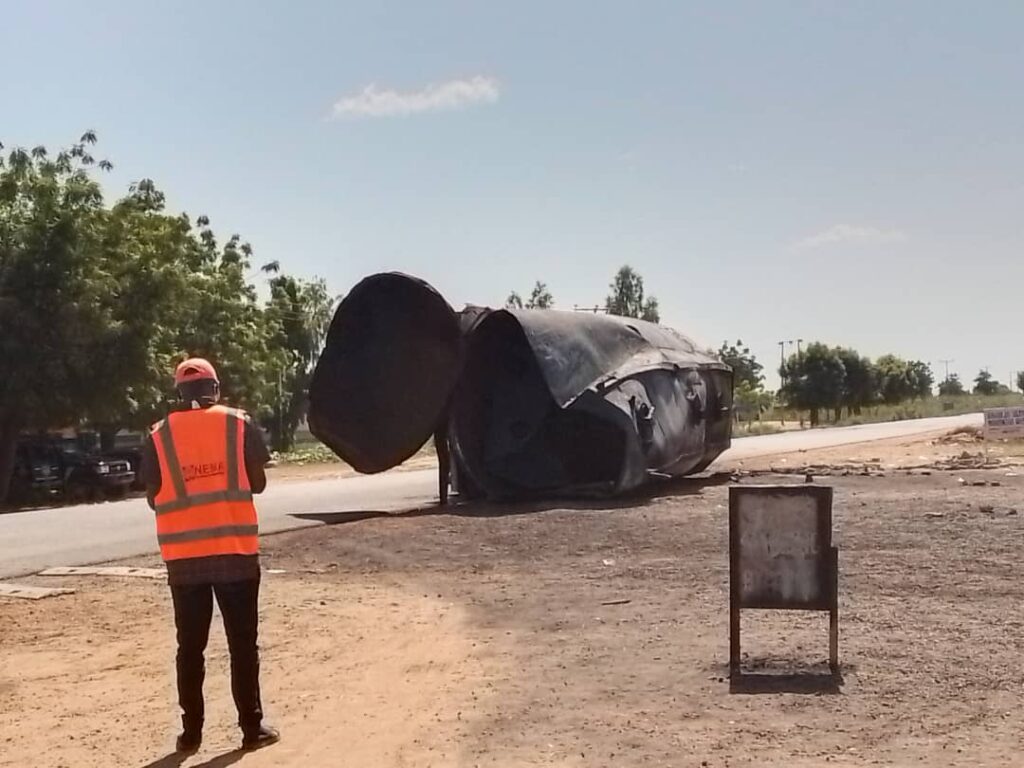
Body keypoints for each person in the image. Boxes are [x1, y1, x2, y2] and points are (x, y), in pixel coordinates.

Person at [142, 358, 279, 754]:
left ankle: (191, 735)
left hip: (184, 562)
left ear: (178, 394)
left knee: (190, 647)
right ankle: (252, 729)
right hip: (235, 553)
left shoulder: (156, 435)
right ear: (215, 388)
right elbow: (258, 483)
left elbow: (154, 498)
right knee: (242, 644)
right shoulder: (239, 423)